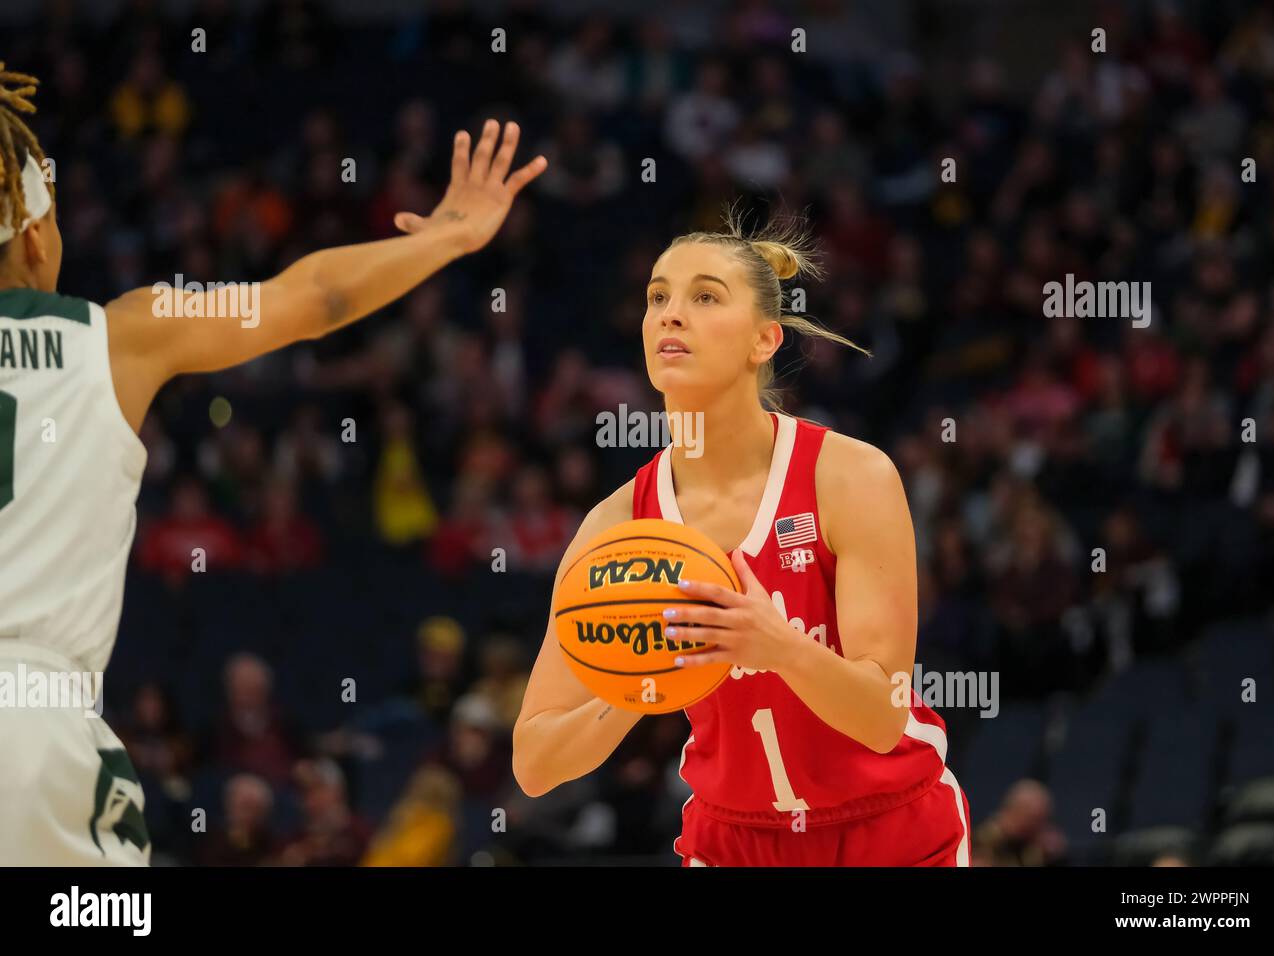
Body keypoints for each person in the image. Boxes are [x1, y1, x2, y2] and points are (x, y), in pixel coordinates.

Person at [0, 62, 546, 865]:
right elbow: (311, 298)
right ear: (39, 235)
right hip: (34, 717)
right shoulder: (125, 334)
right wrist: (446, 236)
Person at [514, 209, 971, 866]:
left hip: (888, 829)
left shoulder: (850, 477)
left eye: (704, 296)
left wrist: (775, 646)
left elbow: (879, 716)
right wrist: (639, 686)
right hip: (732, 842)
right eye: (657, 297)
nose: (671, 313)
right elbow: (534, 762)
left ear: (764, 339)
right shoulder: (618, 527)